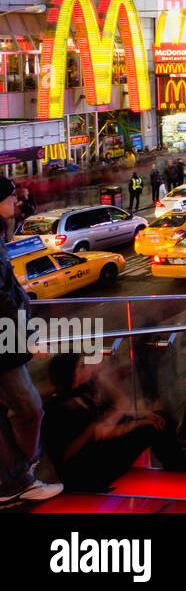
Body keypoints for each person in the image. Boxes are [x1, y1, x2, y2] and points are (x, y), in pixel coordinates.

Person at [0, 176, 64, 506]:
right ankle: (22, 474)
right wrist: (26, 335)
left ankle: (11, 482)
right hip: (3, 342)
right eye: (11, 197)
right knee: (29, 409)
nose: (18, 201)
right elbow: (0, 295)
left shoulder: (1, 233)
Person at [41, 353, 186, 491]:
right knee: (153, 428)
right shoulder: (61, 408)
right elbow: (104, 430)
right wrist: (139, 422)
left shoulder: (80, 395)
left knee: (159, 418)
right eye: (82, 366)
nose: (87, 367)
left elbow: (109, 416)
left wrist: (143, 415)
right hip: (89, 471)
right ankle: (183, 471)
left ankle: (179, 466)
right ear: (73, 375)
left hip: (97, 454)